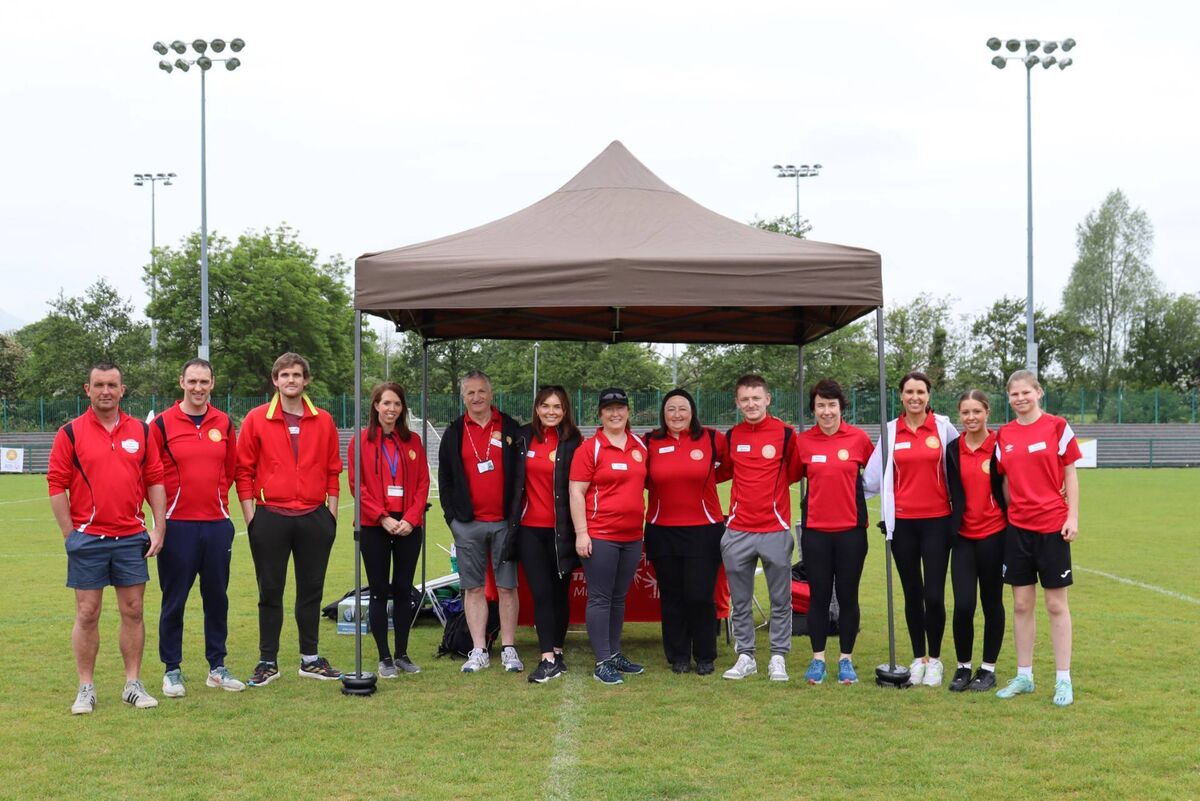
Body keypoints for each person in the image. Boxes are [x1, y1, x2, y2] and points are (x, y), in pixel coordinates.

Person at [47, 362, 167, 714]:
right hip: (88, 540)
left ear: (122, 389)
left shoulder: (142, 432)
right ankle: (86, 687)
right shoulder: (69, 433)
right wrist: (71, 535)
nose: (105, 391)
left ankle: (133, 683)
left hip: (131, 537)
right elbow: (57, 484)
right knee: (87, 613)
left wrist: (159, 527)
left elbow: (155, 479)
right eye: (98, 385)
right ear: (87, 389)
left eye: (112, 385)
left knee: (133, 610)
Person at [235, 353, 343, 686]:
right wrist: (253, 518)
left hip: (314, 517)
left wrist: (332, 516)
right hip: (271, 518)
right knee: (270, 590)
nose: (291, 380)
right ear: (275, 380)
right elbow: (243, 471)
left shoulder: (323, 420)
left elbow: (332, 470)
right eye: (285, 375)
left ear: (306, 380)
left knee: (311, 591)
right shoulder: (256, 419)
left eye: (297, 374)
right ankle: (268, 660)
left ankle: (310, 658)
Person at [150, 358, 245, 696]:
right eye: (192, 381)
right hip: (177, 526)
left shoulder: (224, 422)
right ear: (181, 382)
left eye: (204, 381)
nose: (198, 388)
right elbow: (151, 476)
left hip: (217, 525)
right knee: (174, 600)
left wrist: (216, 502)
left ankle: (216, 667)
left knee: (217, 598)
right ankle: (172, 669)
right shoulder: (161, 424)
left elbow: (231, 469)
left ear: (212, 384)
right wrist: (159, 522)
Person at [992, 370, 1081, 707]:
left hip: (1053, 528)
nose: (1020, 398)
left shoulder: (1057, 427)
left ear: (1038, 392)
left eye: (1026, 392)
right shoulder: (1005, 435)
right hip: (1018, 530)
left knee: (1056, 604)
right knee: (1021, 604)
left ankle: (1063, 680)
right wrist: (1013, 515)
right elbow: (1003, 482)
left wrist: (1072, 516)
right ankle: (1024, 676)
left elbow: (1070, 473)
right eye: (1014, 394)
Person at [864, 370, 959, 687]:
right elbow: (872, 480)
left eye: (921, 392)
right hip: (902, 526)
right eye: (909, 392)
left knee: (933, 595)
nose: (915, 397)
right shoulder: (890, 431)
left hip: (937, 523)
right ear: (901, 396)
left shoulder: (944, 428)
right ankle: (918, 658)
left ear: (928, 395)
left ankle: (935, 660)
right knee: (912, 593)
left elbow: (961, 468)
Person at [438, 370, 524, 673]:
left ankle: (510, 648)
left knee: (506, 587)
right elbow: (445, 478)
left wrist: (514, 517)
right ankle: (478, 649)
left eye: (481, 391)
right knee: (473, 588)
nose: (476, 398)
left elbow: (521, 475)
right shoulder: (454, 432)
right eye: (470, 393)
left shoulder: (511, 428)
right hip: (468, 524)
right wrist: (453, 519)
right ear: (463, 397)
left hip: (504, 523)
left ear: (491, 394)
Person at [719, 374, 803, 682]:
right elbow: (727, 472)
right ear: (738, 403)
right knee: (739, 600)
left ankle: (778, 657)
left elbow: (793, 473)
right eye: (745, 399)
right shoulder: (732, 436)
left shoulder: (785, 434)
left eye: (757, 398)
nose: (751, 404)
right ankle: (746, 656)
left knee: (781, 599)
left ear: (768, 399)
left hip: (774, 529)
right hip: (738, 530)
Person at [794, 379, 874, 686]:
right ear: (813, 408)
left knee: (848, 596)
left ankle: (846, 661)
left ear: (841, 407)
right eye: (820, 406)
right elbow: (789, 475)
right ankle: (817, 661)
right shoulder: (803, 442)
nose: (826, 412)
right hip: (815, 533)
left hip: (852, 532)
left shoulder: (858, 439)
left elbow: (879, 474)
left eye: (832, 405)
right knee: (819, 597)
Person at [348, 382, 430, 678]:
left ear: (402, 408)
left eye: (397, 404)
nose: (391, 409)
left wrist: (410, 517)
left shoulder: (413, 441)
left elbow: (423, 483)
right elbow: (358, 486)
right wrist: (382, 517)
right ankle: (384, 657)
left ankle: (403, 654)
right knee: (379, 591)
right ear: (375, 406)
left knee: (403, 589)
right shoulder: (360, 441)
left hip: (409, 524)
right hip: (374, 525)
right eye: (386, 403)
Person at [644, 388, 728, 676]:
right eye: (671, 409)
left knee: (700, 595)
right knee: (672, 596)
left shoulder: (713, 439)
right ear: (663, 414)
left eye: (682, 408)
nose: (677, 414)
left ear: (692, 411)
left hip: (704, 530)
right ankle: (678, 655)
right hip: (662, 530)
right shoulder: (649, 442)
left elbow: (726, 470)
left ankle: (705, 655)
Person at [569, 388, 649, 685]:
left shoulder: (640, 445)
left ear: (629, 411)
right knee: (601, 598)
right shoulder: (590, 449)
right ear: (600, 414)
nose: (615, 413)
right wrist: (582, 534)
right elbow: (576, 492)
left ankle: (614, 654)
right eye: (609, 409)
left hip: (632, 536)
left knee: (618, 598)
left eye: (620, 408)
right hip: (600, 534)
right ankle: (602, 661)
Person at [507, 385, 583, 684]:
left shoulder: (574, 441)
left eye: (557, 407)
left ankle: (558, 651)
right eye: (545, 406)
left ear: (565, 411)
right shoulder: (523, 437)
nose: (551, 412)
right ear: (537, 408)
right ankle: (547, 658)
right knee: (540, 593)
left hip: (563, 531)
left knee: (560, 593)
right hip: (529, 530)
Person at [945, 389, 1007, 692]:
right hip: (963, 539)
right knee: (964, 605)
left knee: (992, 603)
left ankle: (988, 668)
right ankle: (963, 667)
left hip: (995, 536)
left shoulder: (999, 446)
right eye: (965, 412)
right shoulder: (952, 449)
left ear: (987, 413)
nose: (971, 418)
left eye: (976, 412)